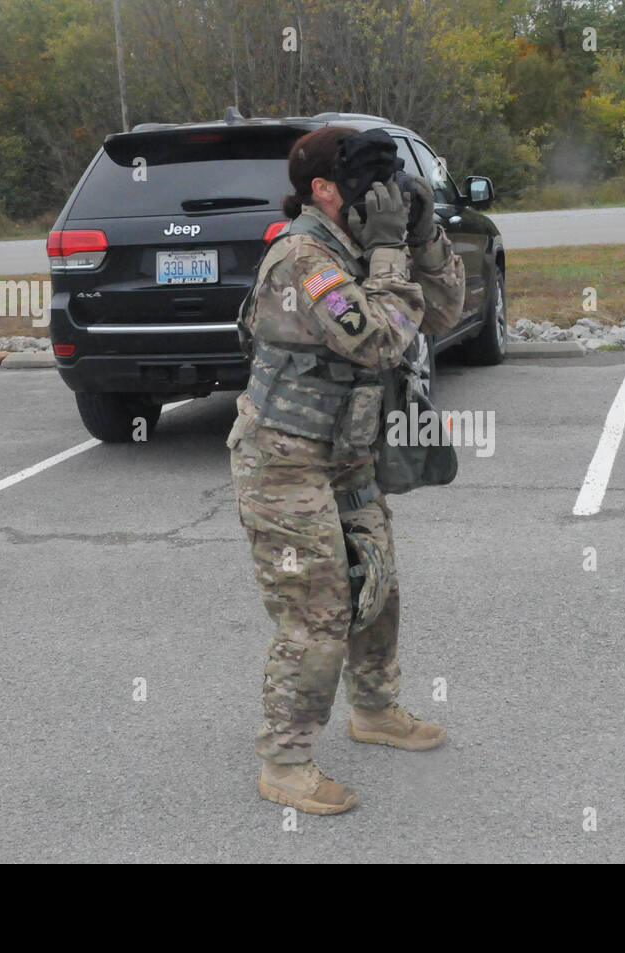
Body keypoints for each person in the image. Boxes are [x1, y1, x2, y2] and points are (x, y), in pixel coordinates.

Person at [226, 125, 466, 815]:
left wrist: (419, 235)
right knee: (319, 609)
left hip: (347, 455)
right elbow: (381, 338)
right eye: (364, 187)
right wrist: (391, 251)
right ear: (322, 191)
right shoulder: (303, 258)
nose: (378, 198)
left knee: (379, 585)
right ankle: (285, 758)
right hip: (284, 460)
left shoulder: (362, 244)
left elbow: (445, 308)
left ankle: (375, 707)